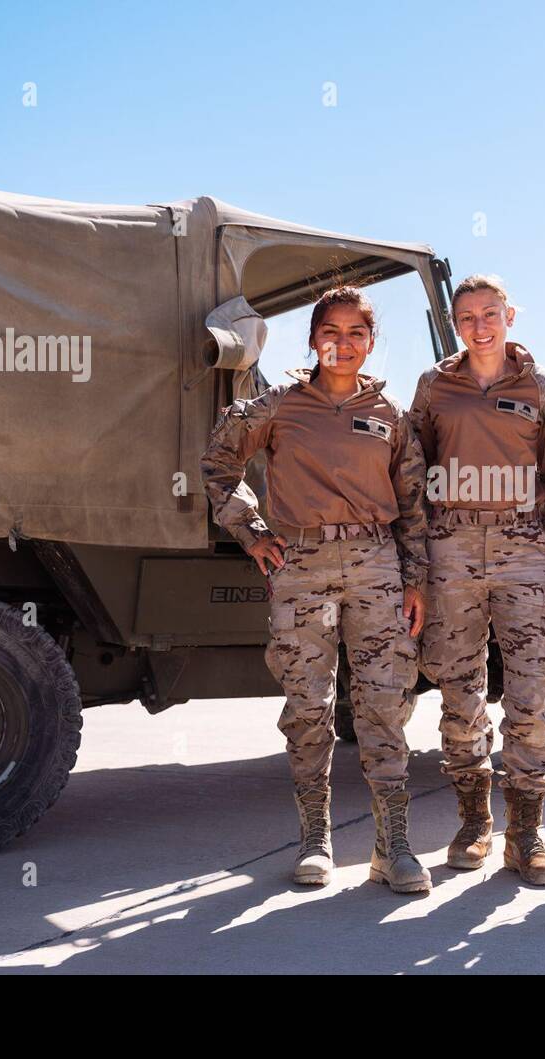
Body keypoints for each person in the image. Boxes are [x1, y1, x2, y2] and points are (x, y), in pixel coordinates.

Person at [201, 285, 431, 894]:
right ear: (312, 339)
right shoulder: (277, 406)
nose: (344, 343)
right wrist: (250, 531)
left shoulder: (391, 418)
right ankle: (314, 839)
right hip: (299, 564)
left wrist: (417, 582)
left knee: (384, 704)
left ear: (372, 343)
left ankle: (394, 846)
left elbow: (412, 506)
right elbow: (219, 464)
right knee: (309, 706)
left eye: (357, 333)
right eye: (332, 331)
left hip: (376, 565)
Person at [409, 275, 545, 885]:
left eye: (490, 313)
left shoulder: (541, 387)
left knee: (531, 691)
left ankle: (527, 833)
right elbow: (414, 471)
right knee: (459, 688)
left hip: (525, 549)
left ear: (509, 314)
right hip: (451, 549)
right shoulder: (435, 385)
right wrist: (418, 560)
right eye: (467, 316)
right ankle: (473, 821)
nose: (479, 325)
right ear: (456, 323)